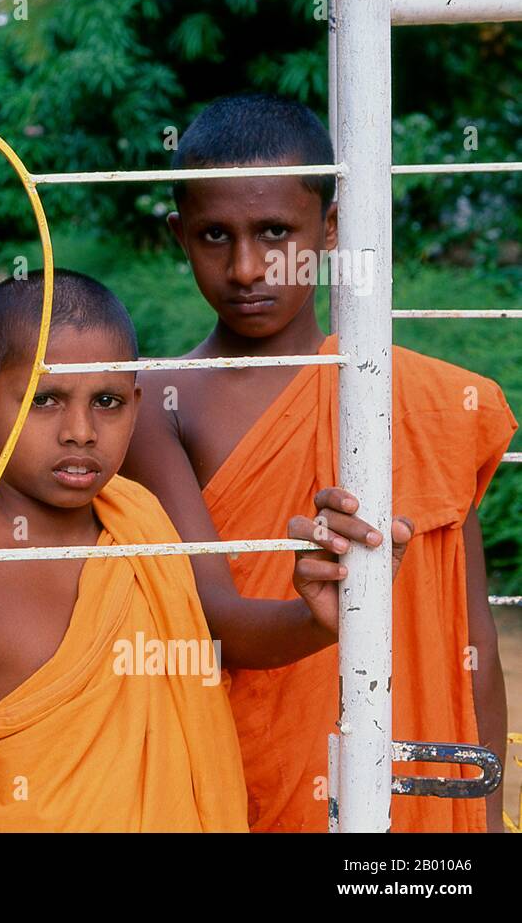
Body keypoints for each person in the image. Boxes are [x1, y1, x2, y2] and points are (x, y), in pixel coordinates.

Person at [120, 92, 517, 832]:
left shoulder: (423, 400)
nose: (246, 267)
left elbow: (474, 646)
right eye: (215, 235)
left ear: (329, 228)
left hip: (419, 790)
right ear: (179, 236)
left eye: (276, 232)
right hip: (252, 777)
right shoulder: (162, 405)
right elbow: (218, 624)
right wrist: (320, 616)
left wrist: (488, 819)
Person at [0, 270, 390, 832]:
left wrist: (316, 618)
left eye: (107, 401)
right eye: (45, 400)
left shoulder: (141, 520)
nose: (81, 431)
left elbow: (222, 637)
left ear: (137, 404)